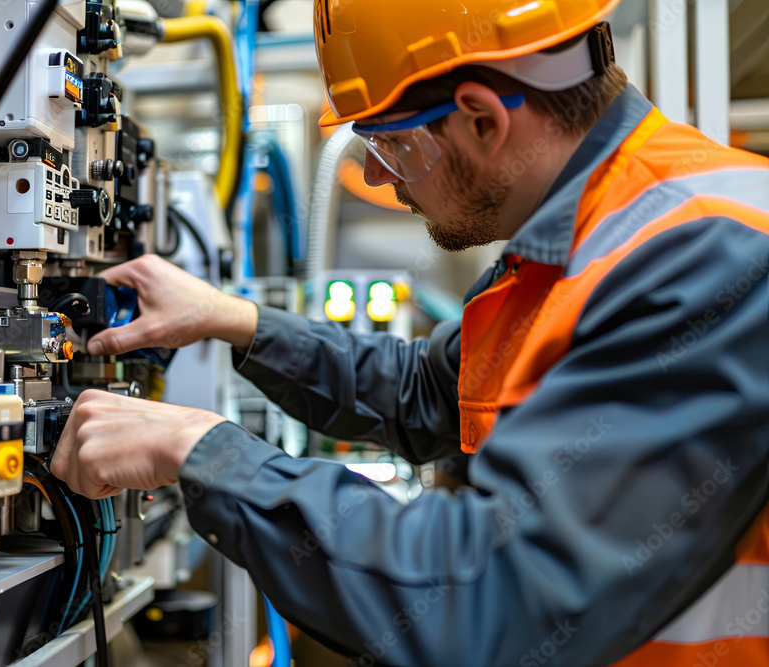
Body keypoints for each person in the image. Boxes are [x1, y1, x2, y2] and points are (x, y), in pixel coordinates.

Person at [51, 0, 769, 663]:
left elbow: (485, 600)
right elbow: (426, 391)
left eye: (392, 148)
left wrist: (200, 450)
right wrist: (230, 319)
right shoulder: (582, 234)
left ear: (484, 119)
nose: (384, 179)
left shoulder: (708, 256)